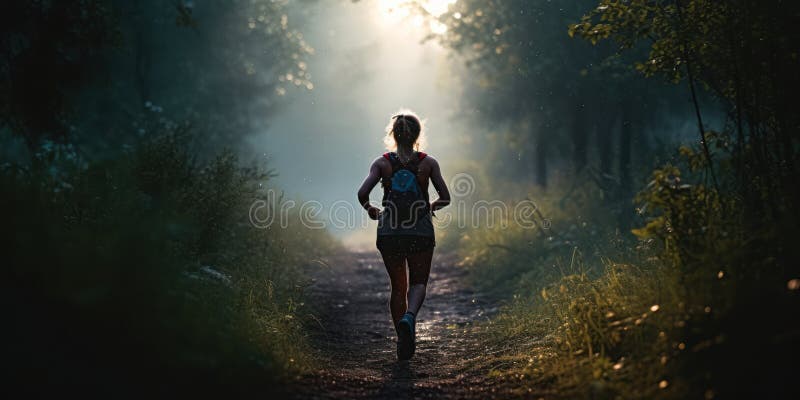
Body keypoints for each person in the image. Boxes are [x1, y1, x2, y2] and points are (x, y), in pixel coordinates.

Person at [357, 111, 450, 361]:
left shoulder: (382, 163)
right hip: (420, 231)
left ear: (393, 134)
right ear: (418, 135)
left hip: (390, 233)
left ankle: (402, 338)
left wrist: (370, 209)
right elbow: (446, 198)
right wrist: (430, 207)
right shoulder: (428, 163)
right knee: (418, 283)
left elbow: (362, 193)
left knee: (398, 287)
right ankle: (410, 318)